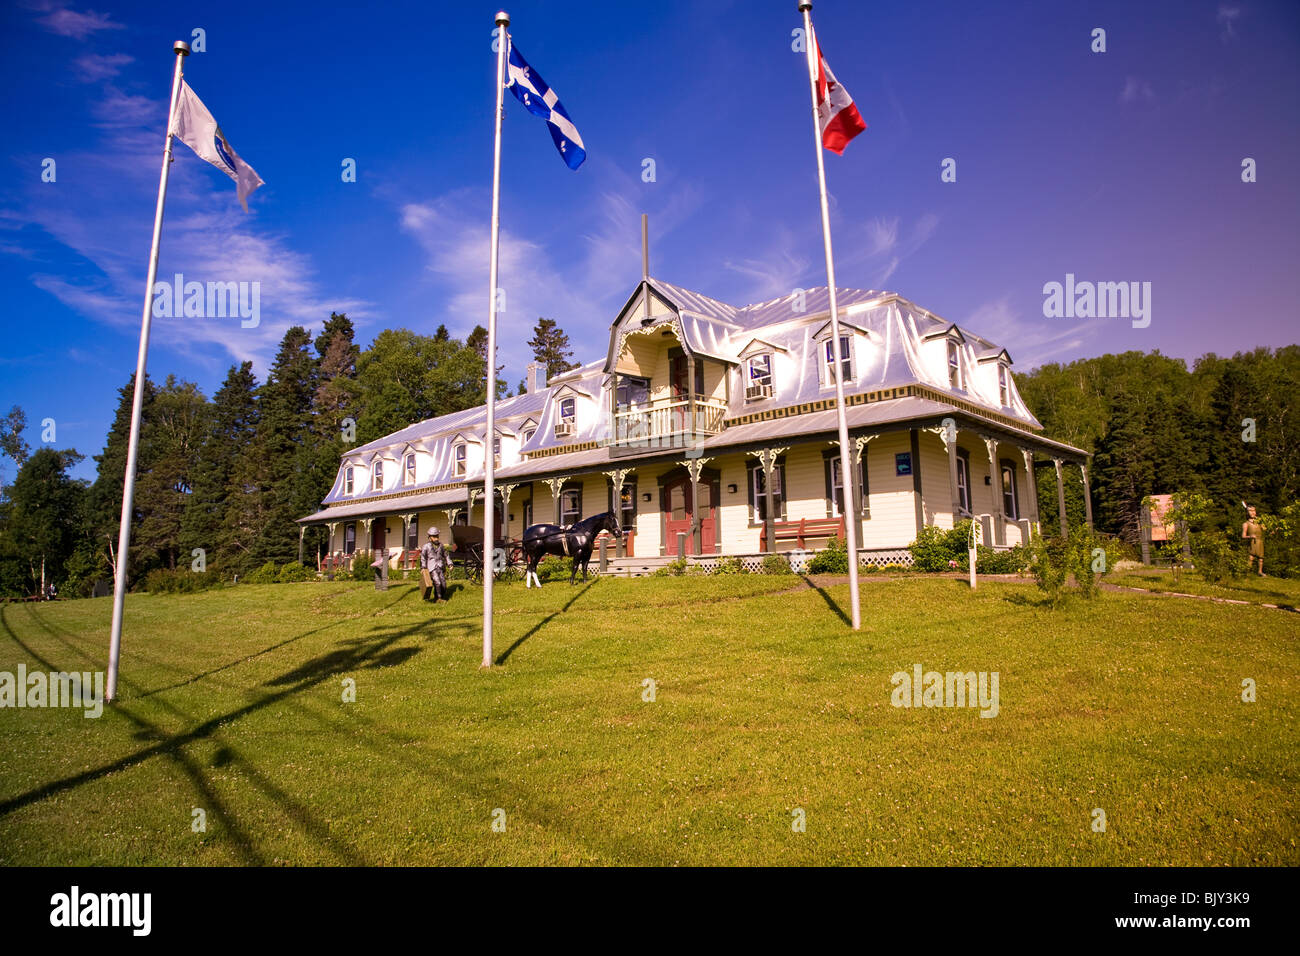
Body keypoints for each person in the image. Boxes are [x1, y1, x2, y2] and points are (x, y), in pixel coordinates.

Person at [421, 528, 449, 602]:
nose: (436, 538)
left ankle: (440, 596)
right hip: (431, 567)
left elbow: (446, 555)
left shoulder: (441, 545)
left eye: (437, 536)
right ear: (430, 538)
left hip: (440, 566)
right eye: (434, 537)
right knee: (437, 582)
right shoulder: (426, 546)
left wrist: (449, 563)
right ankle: (438, 598)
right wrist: (423, 567)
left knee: (443, 584)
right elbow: (423, 557)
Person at [1242, 505, 1265, 576]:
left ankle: (1260, 572)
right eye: (1250, 511)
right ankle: (1247, 571)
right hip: (1252, 542)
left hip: (1260, 541)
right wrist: (1250, 536)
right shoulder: (1246, 524)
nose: (1252, 512)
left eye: (1253, 510)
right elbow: (1243, 536)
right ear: (1247, 512)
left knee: (1261, 558)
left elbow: (1265, 529)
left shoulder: (1260, 522)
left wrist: (1273, 530)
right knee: (1251, 557)